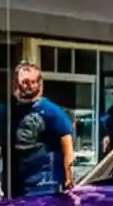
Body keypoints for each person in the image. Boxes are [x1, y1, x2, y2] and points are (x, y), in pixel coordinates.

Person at [10, 62, 74, 197]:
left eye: (33, 82)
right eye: (24, 82)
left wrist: (68, 178)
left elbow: (67, 144)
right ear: (16, 82)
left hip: (45, 183)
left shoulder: (52, 111)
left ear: (40, 83)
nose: (29, 86)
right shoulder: (14, 110)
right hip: (19, 183)